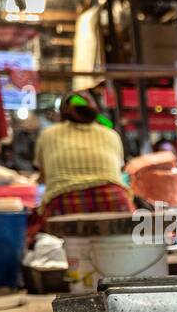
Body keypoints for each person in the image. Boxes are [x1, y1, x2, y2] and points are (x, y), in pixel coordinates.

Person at [29, 91, 132, 238]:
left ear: (62, 112)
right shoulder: (111, 134)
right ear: (95, 110)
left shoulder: (48, 134)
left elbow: (44, 177)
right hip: (114, 200)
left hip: (64, 203)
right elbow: (118, 170)